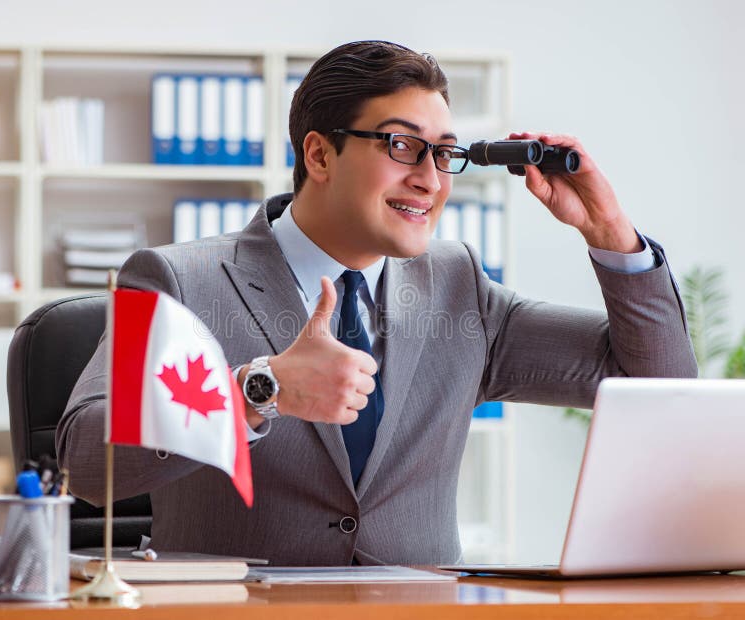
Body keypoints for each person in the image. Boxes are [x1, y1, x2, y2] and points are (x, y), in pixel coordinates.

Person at [57, 40, 697, 566]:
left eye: (444, 153)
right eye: (400, 145)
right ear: (319, 153)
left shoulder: (459, 286)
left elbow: (656, 382)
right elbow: (85, 462)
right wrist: (260, 385)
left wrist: (611, 233)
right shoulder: (182, 280)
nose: (430, 178)